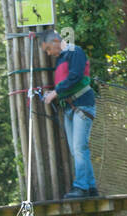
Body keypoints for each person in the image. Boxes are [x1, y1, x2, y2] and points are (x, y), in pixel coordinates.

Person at [39, 31, 99, 199]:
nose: (49, 53)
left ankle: (80, 187)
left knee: (80, 148)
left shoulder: (76, 52)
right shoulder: (60, 59)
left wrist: (55, 92)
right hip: (69, 108)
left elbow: (75, 76)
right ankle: (91, 187)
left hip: (82, 104)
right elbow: (64, 83)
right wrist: (53, 92)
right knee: (77, 150)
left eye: (48, 49)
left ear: (56, 41)